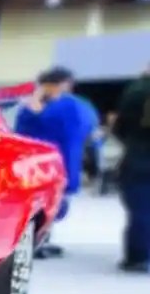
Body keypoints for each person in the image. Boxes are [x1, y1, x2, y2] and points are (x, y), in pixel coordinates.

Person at [14, 67, 97, 258]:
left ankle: (39, 240)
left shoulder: (56, 107)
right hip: (63, 162)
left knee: (45, 203)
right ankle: (41, 239)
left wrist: (35, 100)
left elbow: (28, 126)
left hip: (46, 163)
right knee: (51, 203)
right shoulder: (79, 106)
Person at [112, 65, 150, 273]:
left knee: (141, 211)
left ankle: (138, 258)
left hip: (139, 158)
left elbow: (119, 128)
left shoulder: (135, 91)